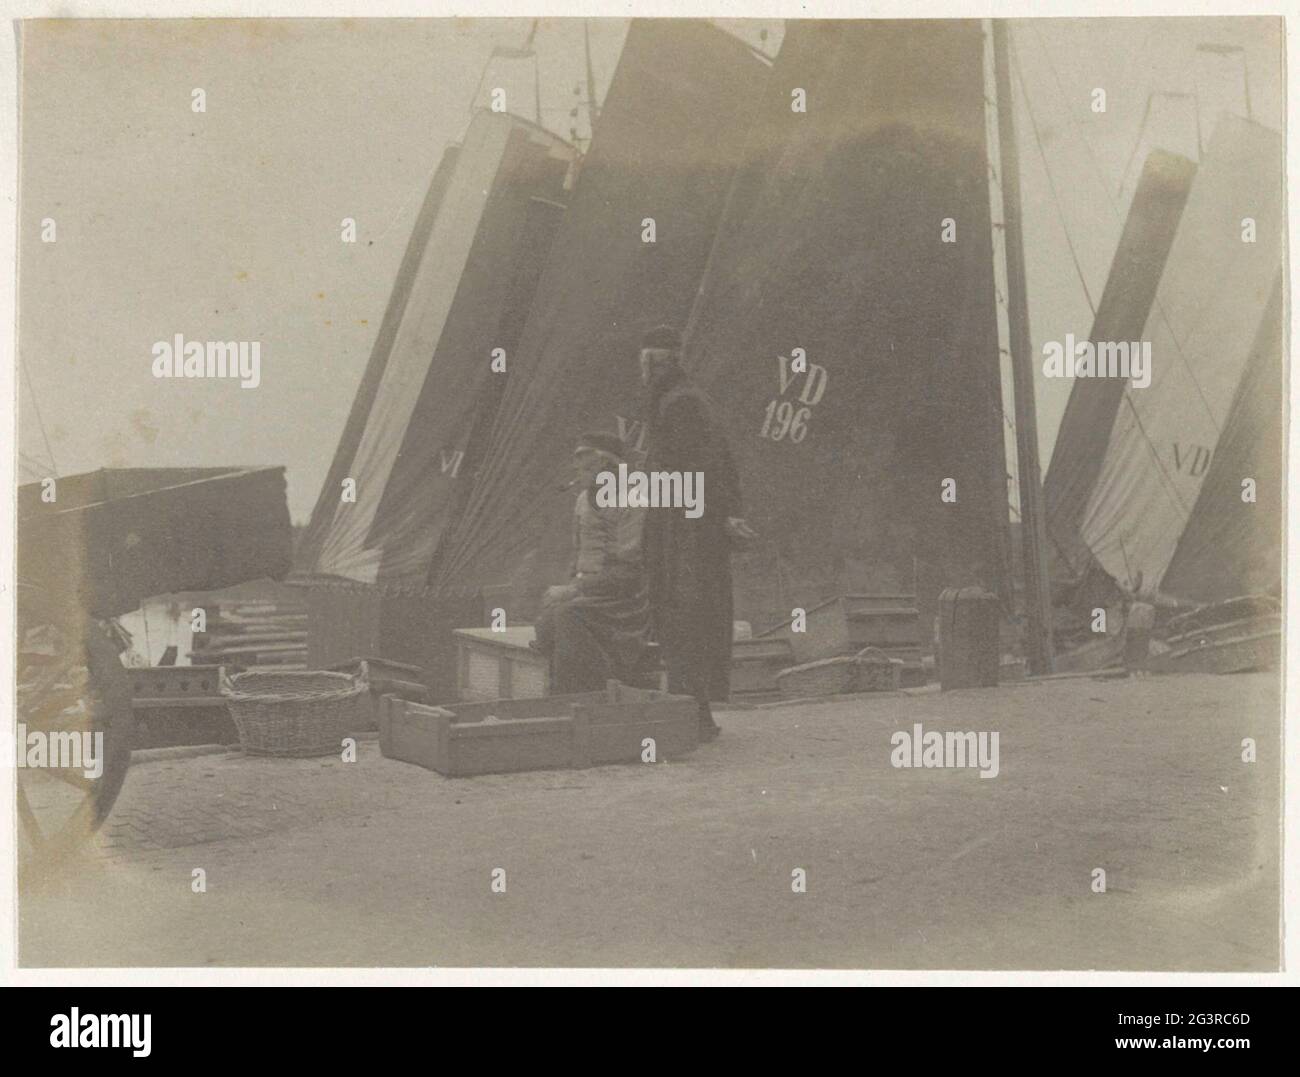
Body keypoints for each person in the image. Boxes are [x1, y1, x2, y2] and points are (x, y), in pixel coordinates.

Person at [638, 325, 755, 740]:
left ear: (658, 362)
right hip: (687, 525)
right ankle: (694, 713)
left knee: (685, 617)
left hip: (686, 532)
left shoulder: (680, 404)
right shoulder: (680, 400)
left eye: (647, 362)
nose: (644, 371)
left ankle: (695, 716)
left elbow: (705, 467)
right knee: (688, 618)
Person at [533, 432, 651, 694]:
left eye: (589, 467)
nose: (580, 472)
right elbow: (578, 560)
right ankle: (565, 695)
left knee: (568, 615)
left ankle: (584, 701)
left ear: (609, 468)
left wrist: (575, 590)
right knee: (550, 615)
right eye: (580, 467)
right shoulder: (582, 501)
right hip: (591, 593)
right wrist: (568, 588)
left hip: (625, 602)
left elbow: (629, 572)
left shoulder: (634, 500)